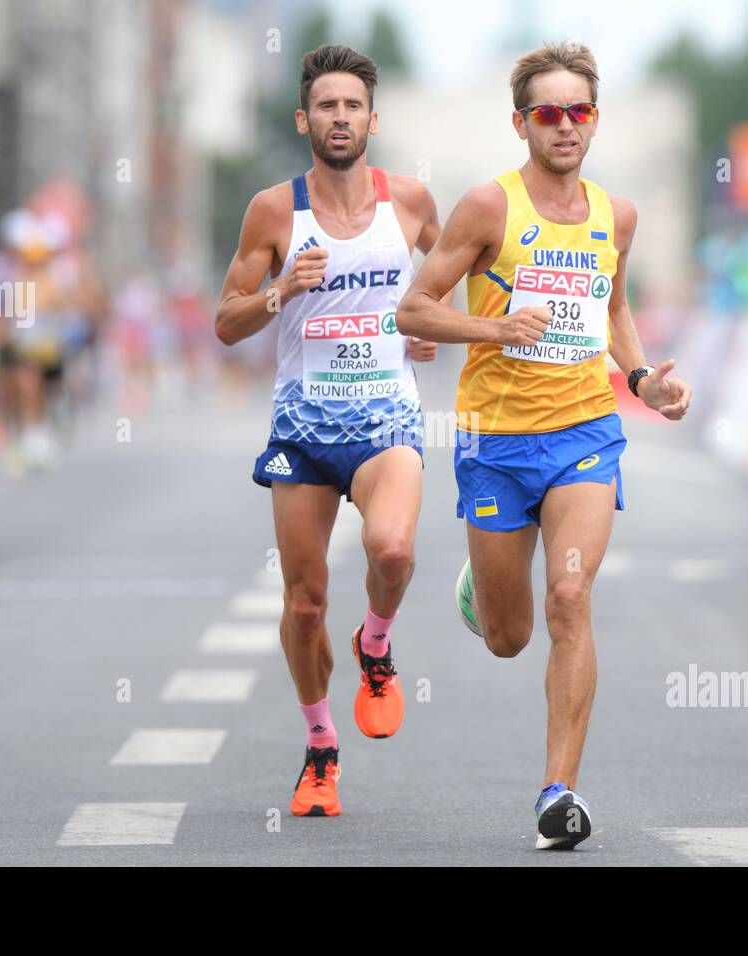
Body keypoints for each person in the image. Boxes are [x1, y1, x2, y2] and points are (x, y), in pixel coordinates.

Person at [396, 42, 692, 849]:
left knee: (571, 599)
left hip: (584, 434)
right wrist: (494, 325)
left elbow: (614, 309)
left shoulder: (616, 215)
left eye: (580, 111)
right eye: (549, 113)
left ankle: (558, 793)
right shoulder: (487, 208)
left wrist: (643, 381)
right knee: (509, 637)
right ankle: (485, 588)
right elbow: (414, 311)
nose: (566, 127)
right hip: (495, 441)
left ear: (596, 118)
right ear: (522, 122)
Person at [215, 45, 440, 817]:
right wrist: (280, 290)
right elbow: (225, 322)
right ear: (303, 118)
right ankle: (319, 747)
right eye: (326, 106)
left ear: (373, 119)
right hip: (304, 429)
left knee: (394, 549)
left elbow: (459, 275)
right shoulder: (274, 211)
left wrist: (431, 325)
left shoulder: (410, 203)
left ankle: (375, 645)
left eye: (353, 106)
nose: (340, 118)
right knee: (305, 603)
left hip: (386, 419)